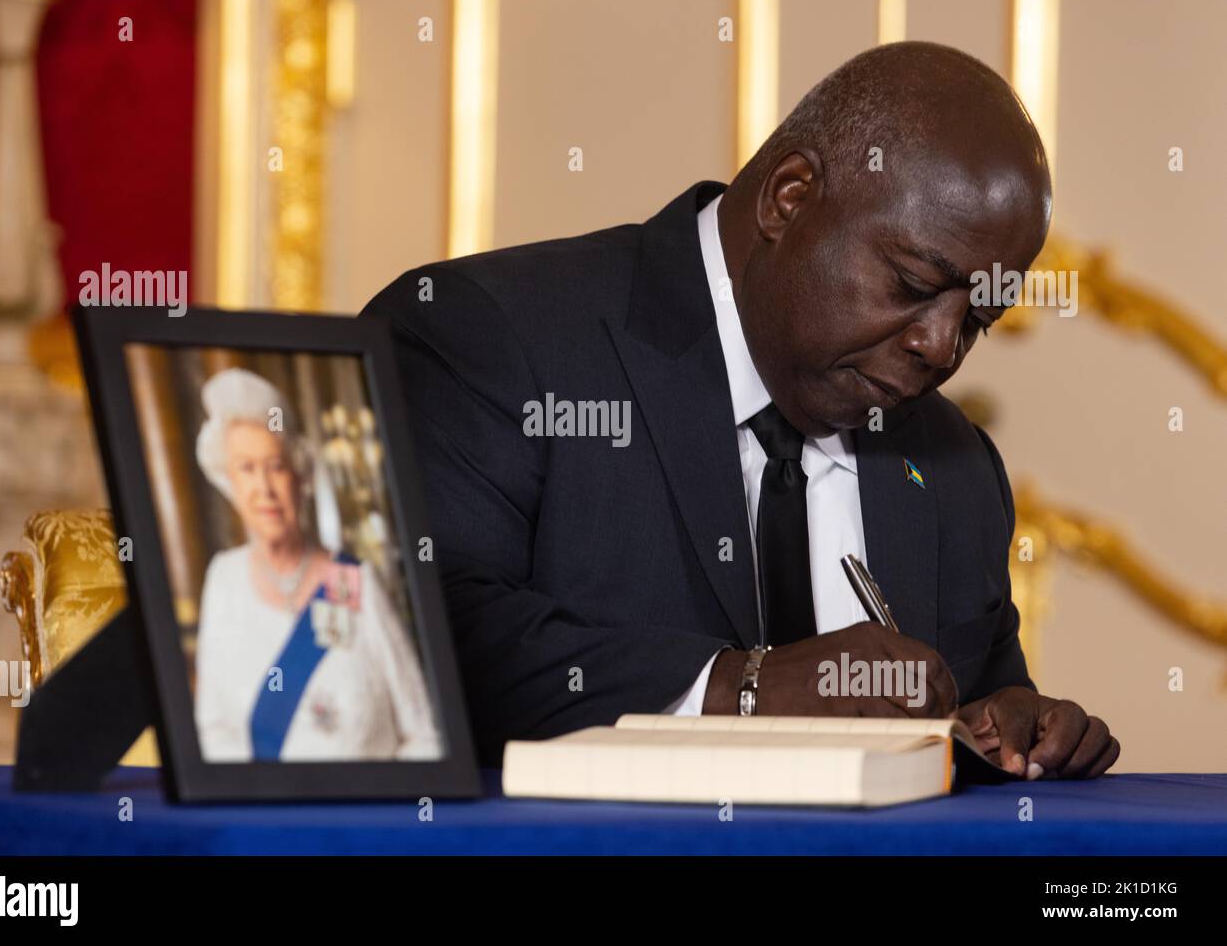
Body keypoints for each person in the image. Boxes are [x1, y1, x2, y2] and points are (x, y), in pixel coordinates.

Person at [364, 41, 1119, 778]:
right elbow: (411, 640)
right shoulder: (488, 336)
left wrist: (1017, 724)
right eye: (915, 284)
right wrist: (740, 688)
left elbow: (975, 713)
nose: (941, 345)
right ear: (787, 199)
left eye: (978, 319)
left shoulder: (953, 465)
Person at [192, 367, 441, 762]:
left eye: (276, 466)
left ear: (300, 477)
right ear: (229, 484)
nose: (264, 489)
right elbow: (212, 733)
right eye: (246, 469)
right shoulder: (223, 580)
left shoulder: (352, 580)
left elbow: (424, 733)